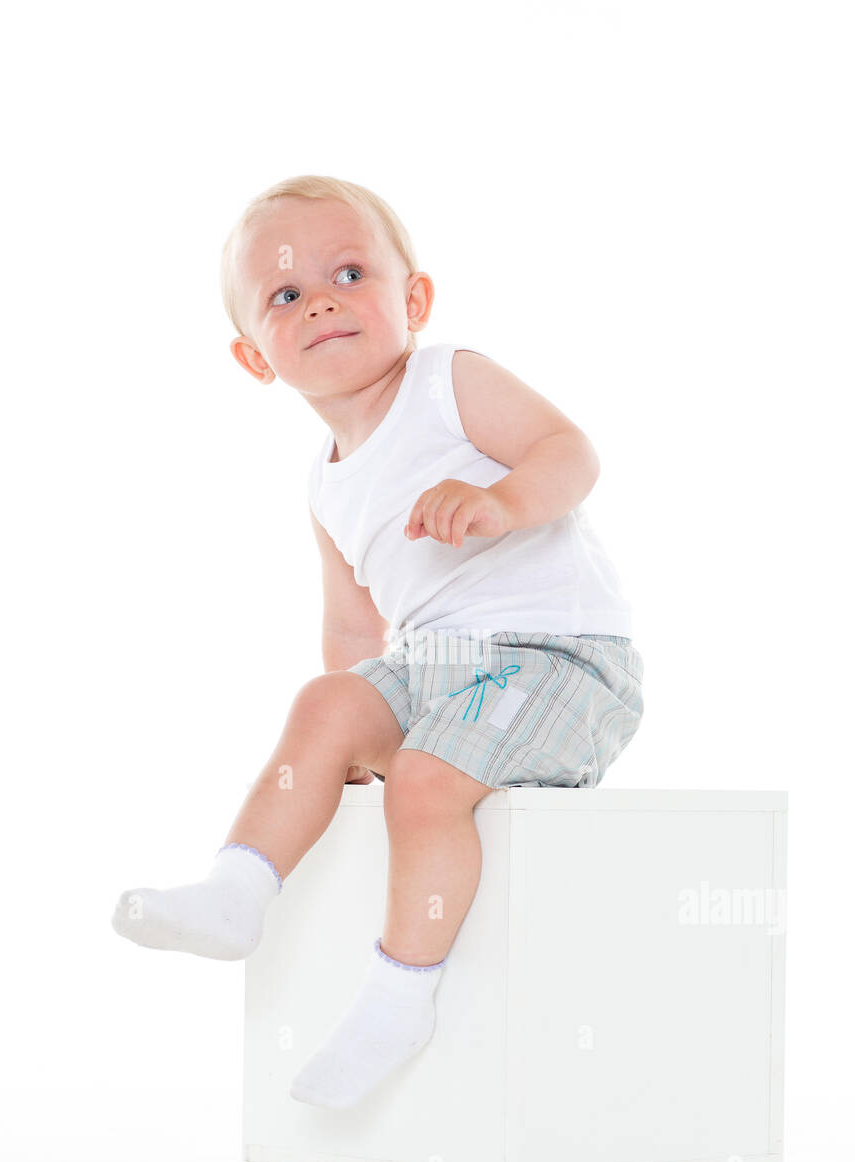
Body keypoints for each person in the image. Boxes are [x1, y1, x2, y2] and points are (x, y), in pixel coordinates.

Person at [112, 174, 645, 1109]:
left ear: (414, 299)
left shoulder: (448, 381)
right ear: (255, 358)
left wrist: (502, 500)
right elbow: (354, 628)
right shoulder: (324, 481)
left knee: (428, 784)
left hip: (558, 656)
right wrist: (349, 743)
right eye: (284, 294)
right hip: (435, 671)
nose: (319, 297)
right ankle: (238, 888)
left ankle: (400, 996)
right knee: (325, 700)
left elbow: (570, 450)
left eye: (347, 271)